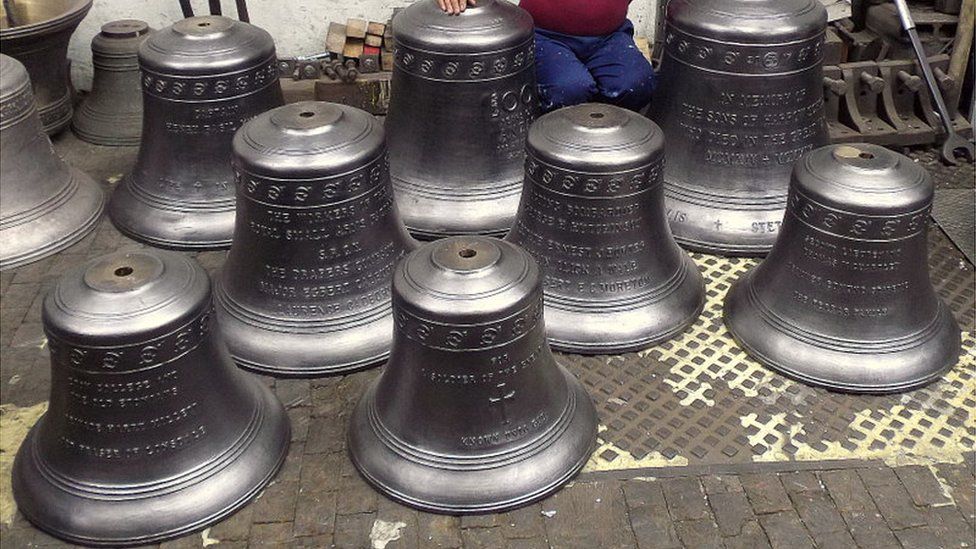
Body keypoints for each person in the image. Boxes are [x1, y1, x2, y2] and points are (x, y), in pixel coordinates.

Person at [436, 0, 655, 113]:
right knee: (569, 89)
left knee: (636, 84)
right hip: (544, 36)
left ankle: (607, 150)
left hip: (610, 37)